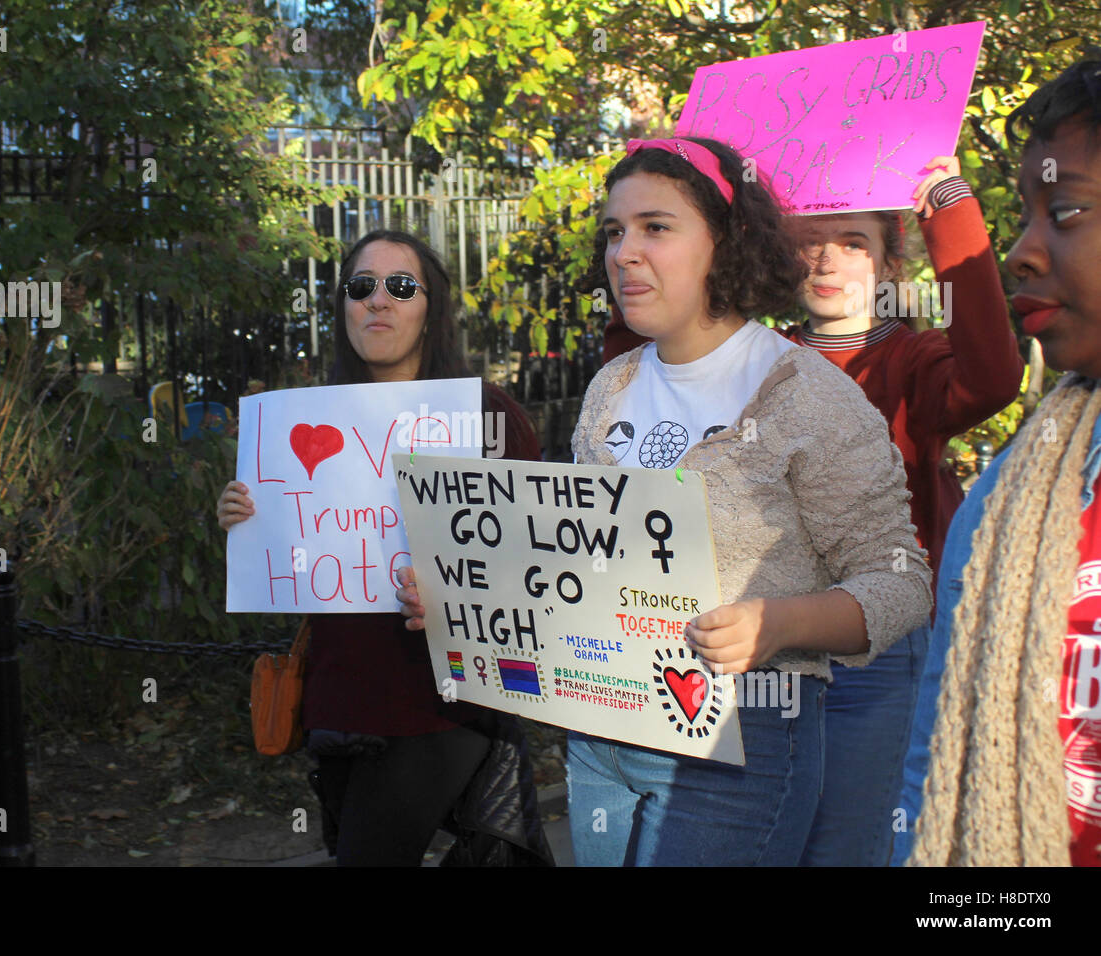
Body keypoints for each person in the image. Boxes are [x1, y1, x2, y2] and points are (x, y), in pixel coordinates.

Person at [398, 138, 932, 865]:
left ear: (729, 239)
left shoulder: (810, 395)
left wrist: (778, 623)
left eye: (656, 226)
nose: (623, 253)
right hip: (598, 743)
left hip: (737, 749)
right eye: (614, 232)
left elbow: (901, 582)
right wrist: (467, 597)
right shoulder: (609, 387)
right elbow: (582, 570)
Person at [600, 155, 1024, 865]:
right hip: (759, 654)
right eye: (808, 240)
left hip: (874, 651)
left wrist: (949, 207)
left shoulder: (915, 358)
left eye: (855, 242)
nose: (827, 259)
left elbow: (992, 376)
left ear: (891, 267)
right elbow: (641, 374)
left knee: (846, 846)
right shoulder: (760, 359)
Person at [218, 229, 546, 866]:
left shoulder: (489, 418)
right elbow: (295, 558)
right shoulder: (301, 422)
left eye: (401, 287)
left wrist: (459, 588)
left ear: (431, 310)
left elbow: (533, 564)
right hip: (338, 698)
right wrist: (247, 519)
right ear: (343, 309)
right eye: (361, 288)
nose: (379, 302)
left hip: (442, 700)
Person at [907, 55, 1101, 866]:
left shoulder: (909, 363)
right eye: (1025, 216)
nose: (1024, 250)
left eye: (1066, 211)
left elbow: (986, 362)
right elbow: (934, 753)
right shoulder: (1016, 486)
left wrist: (948, 212)